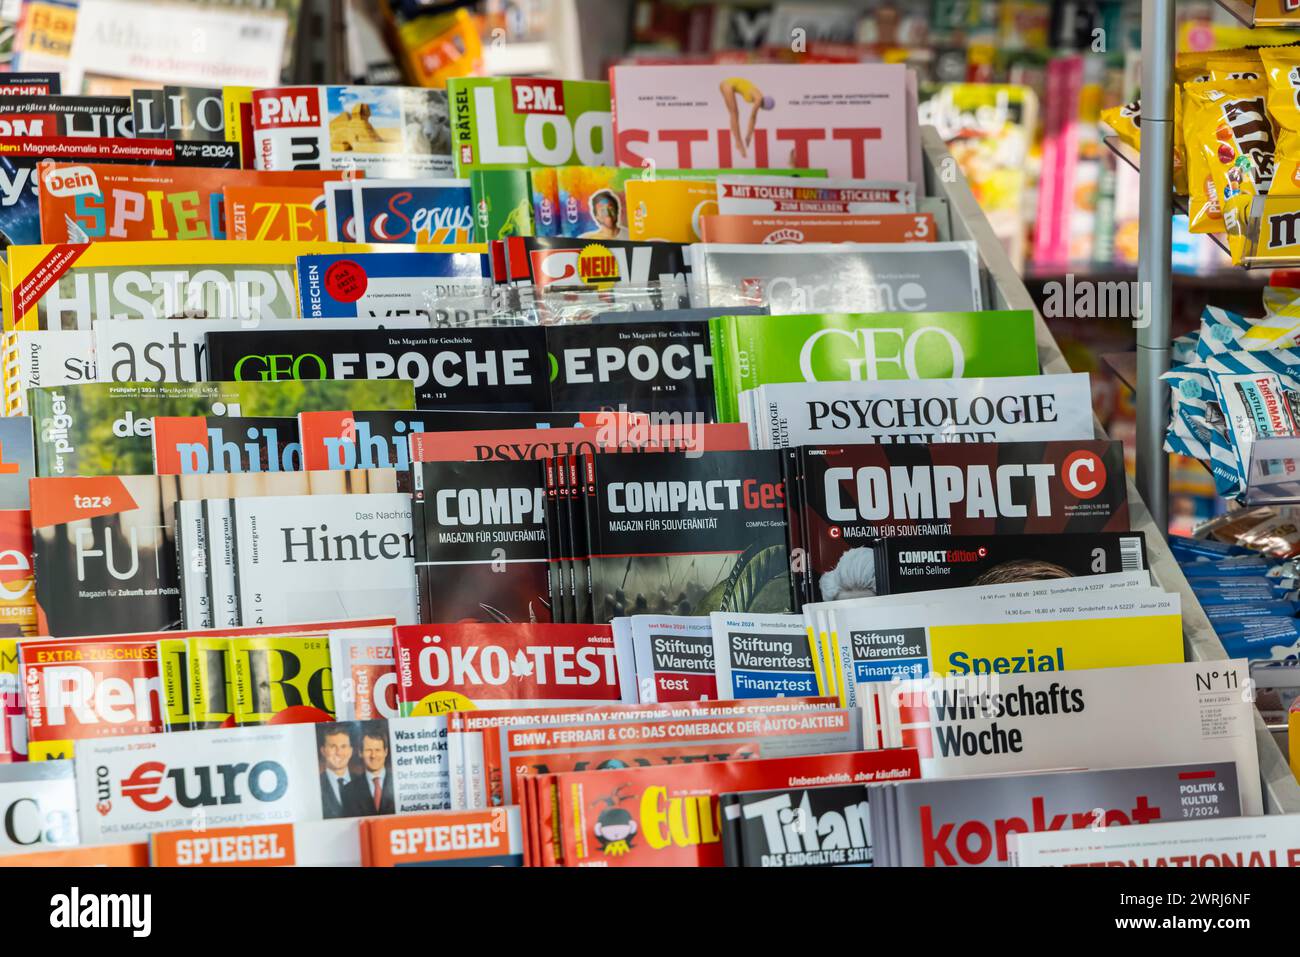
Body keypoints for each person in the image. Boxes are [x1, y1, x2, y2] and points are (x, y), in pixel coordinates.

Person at [719, 77, 774, 160]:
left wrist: (749, 134)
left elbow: (753, 117)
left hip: (726, 85)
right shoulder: (758, 99)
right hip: (727, 85)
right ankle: (738, 142)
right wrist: (749, 134)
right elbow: (753, 117)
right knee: (734, 113)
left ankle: (738, 142)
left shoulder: (758, 97)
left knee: (734, 113)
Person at [348, 726, 396, 816]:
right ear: (360, 753)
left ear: (385, 752)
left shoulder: (399, 782)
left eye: (377, 750)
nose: (373, 756)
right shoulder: (348, 790)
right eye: (368, 750)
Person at [318, 724, 362, 819]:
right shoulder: (315, 786)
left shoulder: (364, 783)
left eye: (343, 746)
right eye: (333, 746)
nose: (339, 752)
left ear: (350, 751)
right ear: (323, 751)